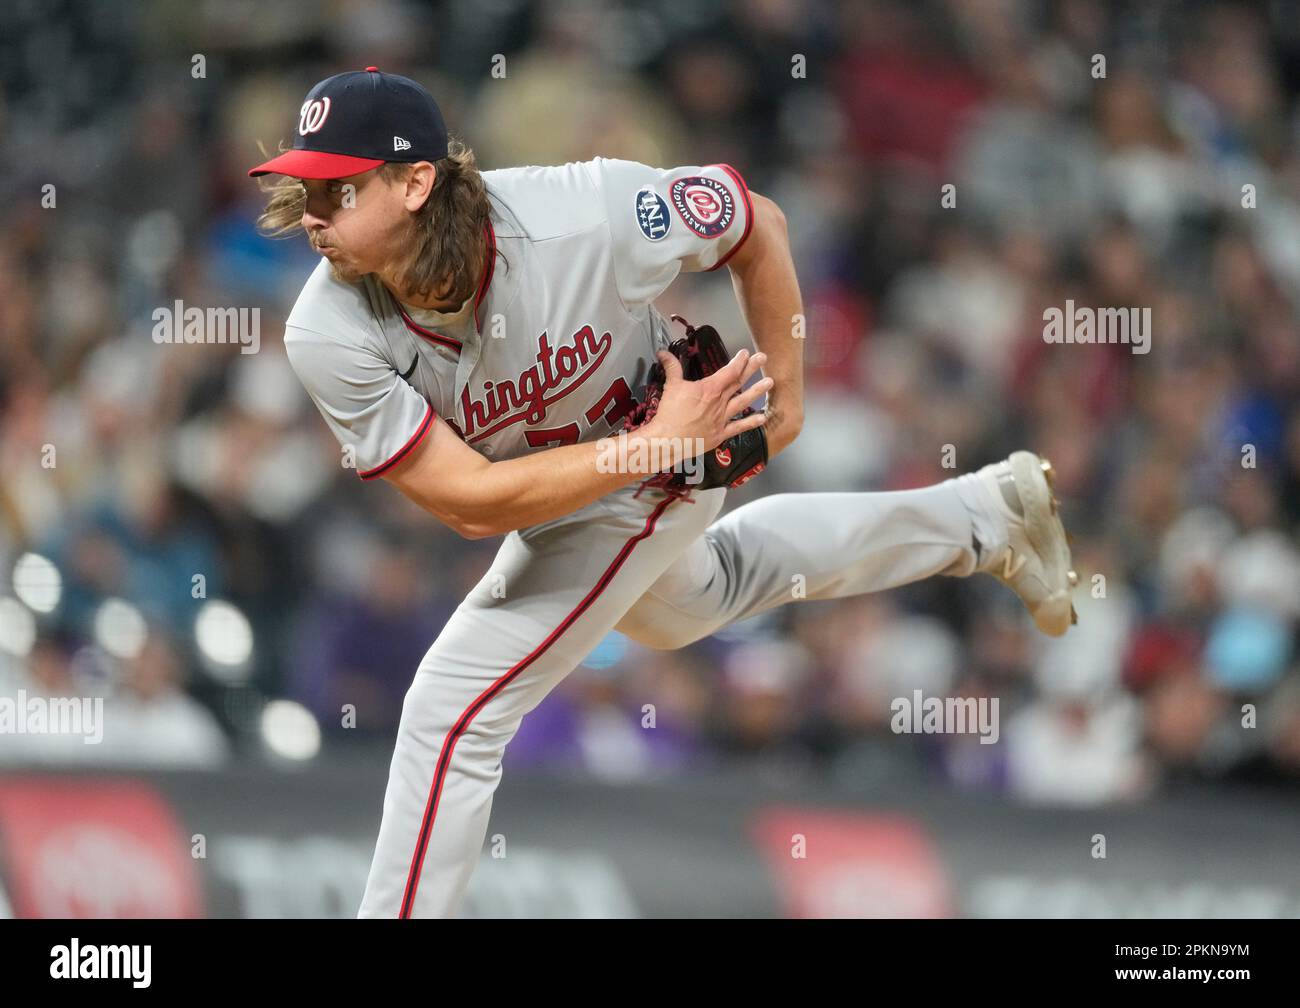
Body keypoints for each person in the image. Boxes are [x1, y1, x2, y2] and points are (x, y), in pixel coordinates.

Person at [250, 68, 1077, 918]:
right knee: (695, 596)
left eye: (339, 189)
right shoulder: (327, 327)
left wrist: (787, 396)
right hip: (612, 462)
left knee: (451, 708)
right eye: (308, 188)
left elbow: (758, 223)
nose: (313, 216)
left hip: (664, 446)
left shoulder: (584, 213)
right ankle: (983, 514)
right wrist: (644, 446)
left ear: (416, 181)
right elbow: (469, 503)